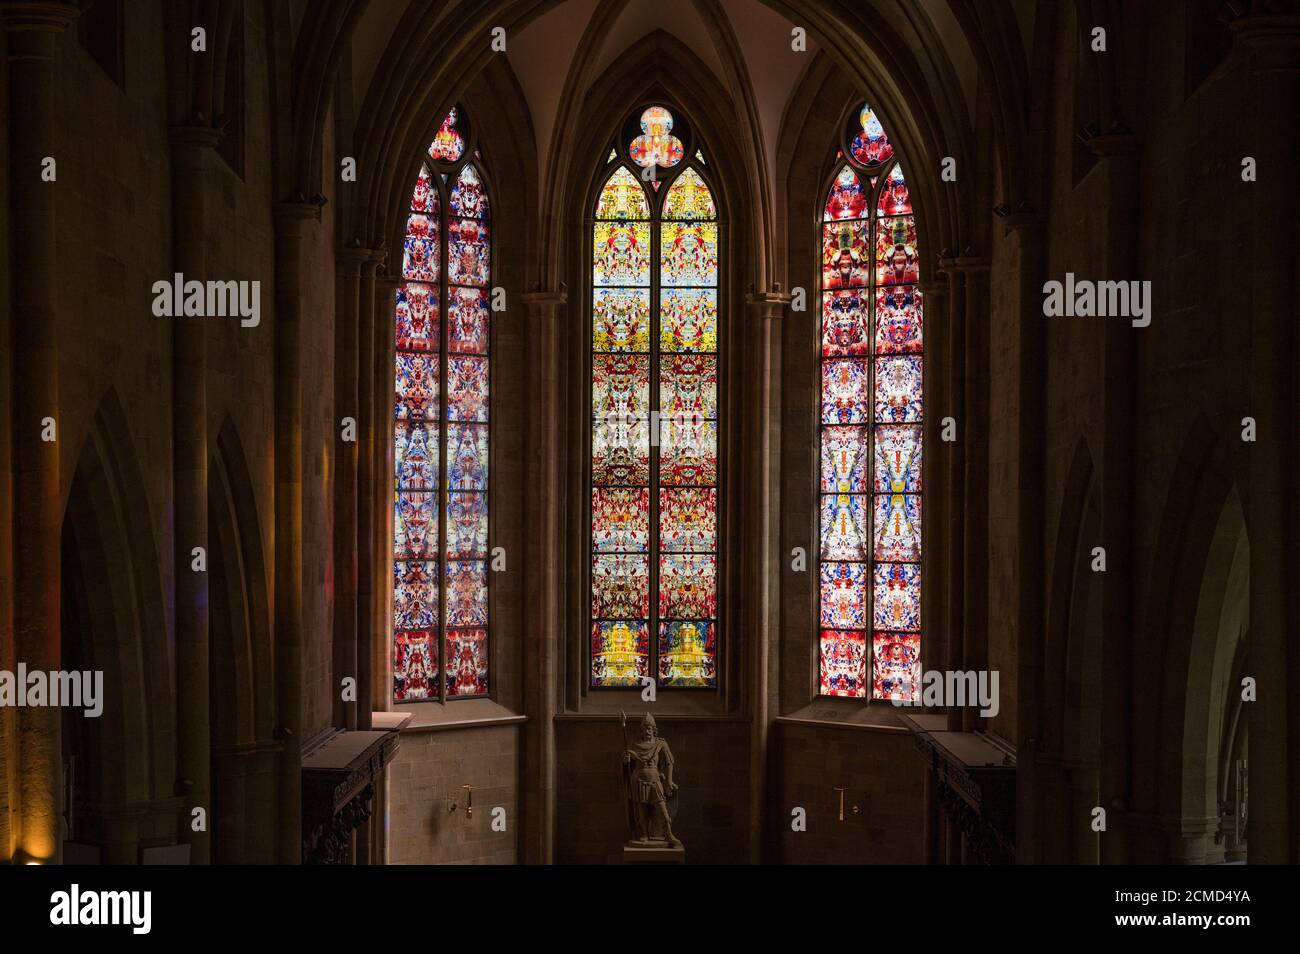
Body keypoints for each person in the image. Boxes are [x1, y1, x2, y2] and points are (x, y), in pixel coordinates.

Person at [622, 712, 681, 847]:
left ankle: (668, 834)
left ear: (654, 730)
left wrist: (669, 781)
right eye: (645, 728)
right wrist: (626, 760)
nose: (647, 731)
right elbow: (625, 761)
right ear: (642, 730)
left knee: (662, 808)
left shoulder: (661, 744)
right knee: (641, 811)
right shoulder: (634, 745)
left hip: (655, 781)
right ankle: (643, 834)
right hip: (638, 781)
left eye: (649, 728)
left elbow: (669, 762)